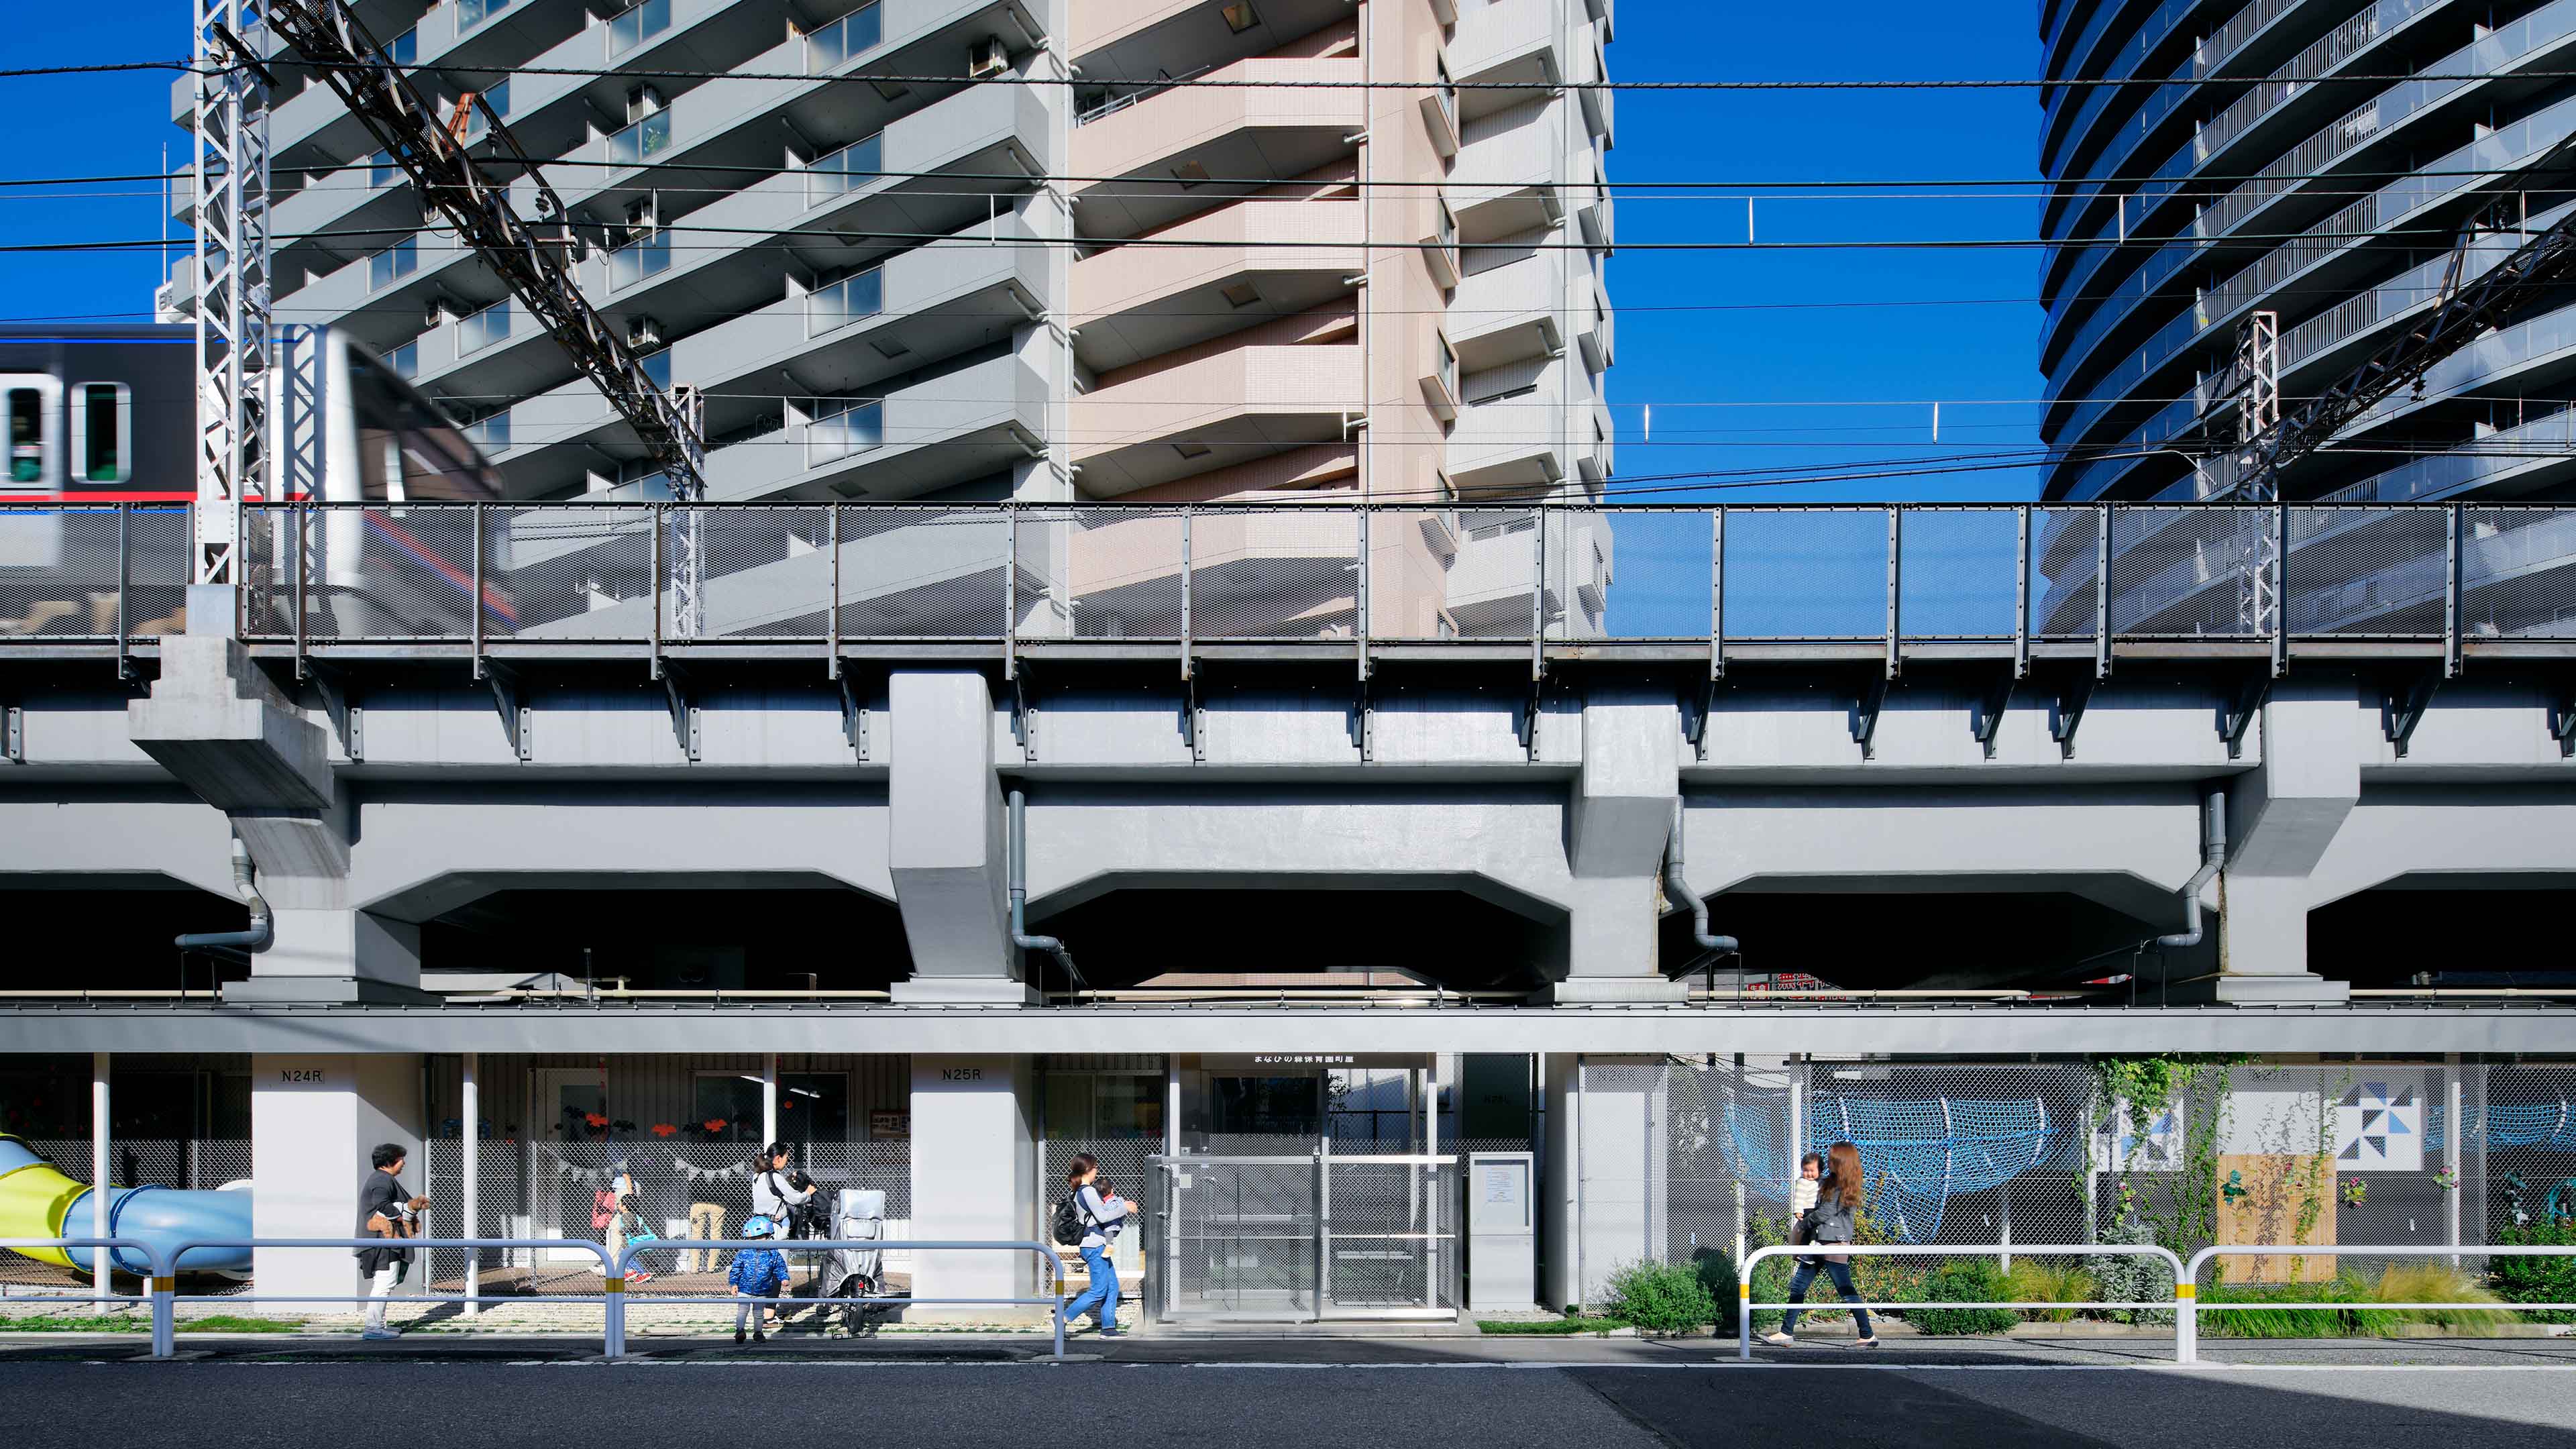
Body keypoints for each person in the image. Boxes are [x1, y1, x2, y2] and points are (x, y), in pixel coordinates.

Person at [1762, 1139, 1878, 1349]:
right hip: (1819, 1242)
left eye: (1832, 1159)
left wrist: (1802, 1225)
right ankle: (1786, 1332)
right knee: (1799, 1285)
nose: (1829, 1161)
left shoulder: (1843, 1185)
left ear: (1841, 1162)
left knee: (1845, 1289)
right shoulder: (1831, 1182)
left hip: (1834, 1244)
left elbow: (1826, 1213)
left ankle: (1867, 1334)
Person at [356, 1142, 426, 1342]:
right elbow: (383, 1205)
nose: (404, 1163)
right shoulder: (382, 1180)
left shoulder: (381, 1178)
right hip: (384, 1242)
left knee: (385, 1283)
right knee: (384, 1283)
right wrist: (403, 1216)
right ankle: (373, 1328)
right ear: (390, 1161)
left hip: (385, 1241)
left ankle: (378, 1325)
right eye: (401, 1158)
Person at [1060, 1152, 1130, 1338]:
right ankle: (1062, 1320)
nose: (1097, 1171)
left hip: (1096, 1244)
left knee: (1112, 1286)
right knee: (1099, 1290)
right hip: (1093, 1245)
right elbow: (1103, 1217)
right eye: (1095, 1167)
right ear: (1087, 1170)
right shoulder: (1088, 1191)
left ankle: (1108, 1328)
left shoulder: (1080, 1191)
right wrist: (1126, 1208)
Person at [748, 1141, 818, 1326]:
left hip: (759, 1228)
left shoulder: (757, 1176)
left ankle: (760, 1313)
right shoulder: (774, 1176)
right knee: (777, 1271)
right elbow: (795, 1198)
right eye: (787, 1158)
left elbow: (773, 1195)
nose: (787, 1161)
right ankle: (769, 1316)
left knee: (763, 1271)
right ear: (778, 1158)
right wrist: (808, 1193)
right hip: (776, 1229)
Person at [727, 1216, 790, 1345]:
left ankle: (758, 1333)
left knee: (759, 1313)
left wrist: (784, 1278)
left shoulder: (773, 1253)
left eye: (760, 1238)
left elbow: (779, 1267)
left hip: (762, 1289)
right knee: (742, 1310)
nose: (757, 1241)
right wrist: (733, 1283)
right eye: (753, 1239)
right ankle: (739, 1331)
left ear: (768, 1236)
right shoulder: (744, 1252)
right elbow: (736, 1268)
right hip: (744, 1288)